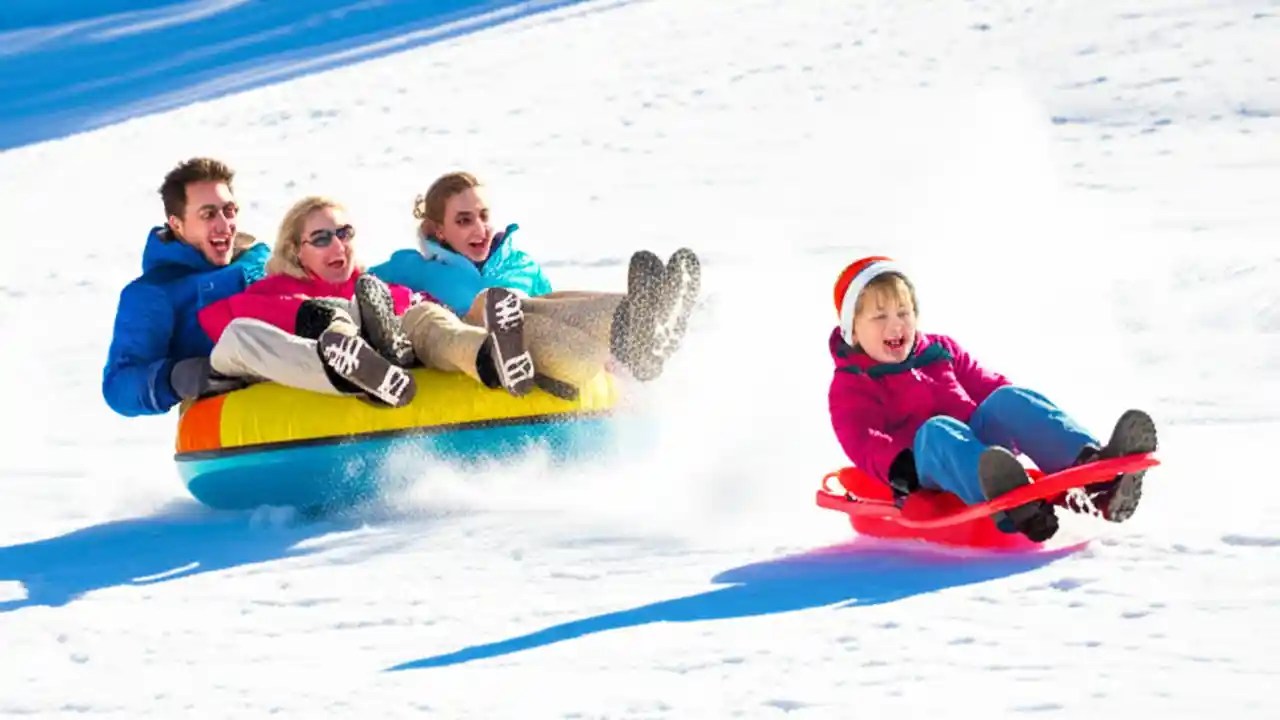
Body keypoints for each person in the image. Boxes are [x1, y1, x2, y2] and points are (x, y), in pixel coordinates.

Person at [825, 256, 1158, 542]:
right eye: (880, 317)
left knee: (1006, 398)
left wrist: (1019, 415)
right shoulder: (852, 384)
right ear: (852, 331)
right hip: (925, 467)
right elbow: (862, 440)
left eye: (904, 312)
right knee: (937, 429)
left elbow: (988, 385)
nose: (896, 325)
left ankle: (1095, 474)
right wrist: (899, 467)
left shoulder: (940, 350)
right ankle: (1011, 502)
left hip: (984, 454)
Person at [368, 171, 700, 398]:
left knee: (545, 304)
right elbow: (361, 290)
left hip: (548, 351)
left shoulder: (521, 263)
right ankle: (631, 319)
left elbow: (558, 309)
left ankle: (641, 323)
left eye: (483, 215)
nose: (479, 228)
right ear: (439, 230)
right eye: (464, 220)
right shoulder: (413, 267)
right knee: (492, 301)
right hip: (480, 350)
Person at [196, 195, 537, 407]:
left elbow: (425, 307)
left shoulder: (373, 287)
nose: (338, 245)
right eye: (321, 238)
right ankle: (352, 366)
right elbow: (217, 320)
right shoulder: (271, 291)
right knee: (241, 334)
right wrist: (318, 315)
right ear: (295, 252)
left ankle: (489, 357)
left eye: (344, 233)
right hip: (288, 364)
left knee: (425, 317)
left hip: (380, 352)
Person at [102, 157, 270, 417]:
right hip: (231, 417)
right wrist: (176, 378)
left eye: (229, 210)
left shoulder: (260, 257)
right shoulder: (155, 292)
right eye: (208, 214)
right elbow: (118, 386)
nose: (224, 225)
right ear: (177, 225)